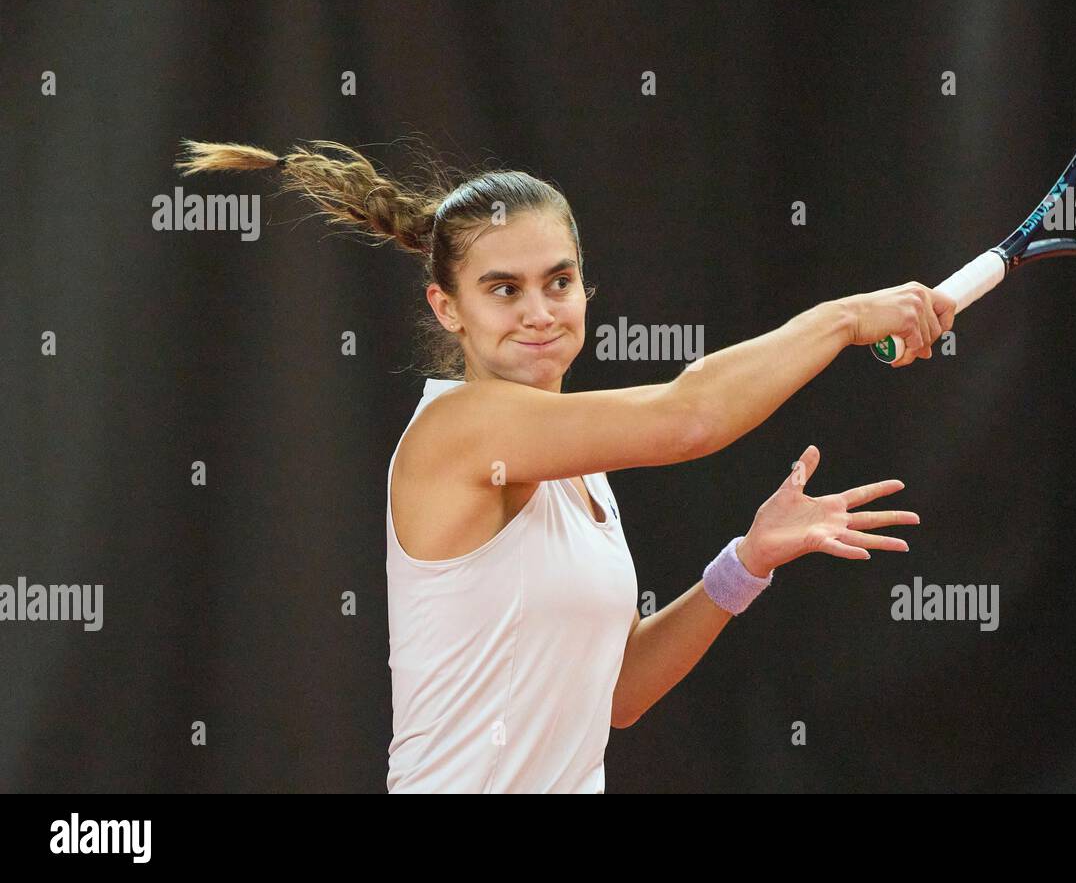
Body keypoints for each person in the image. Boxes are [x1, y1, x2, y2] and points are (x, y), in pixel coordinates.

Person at [174, 138, 957, 793]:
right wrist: (847, 317)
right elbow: (690, 417)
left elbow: (615, 694)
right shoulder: (461, 431)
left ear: (586, 286)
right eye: (503, 289)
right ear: (449, 308)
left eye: (559, 280)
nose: (540, 311)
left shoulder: (579, 466)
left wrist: (745, 562)